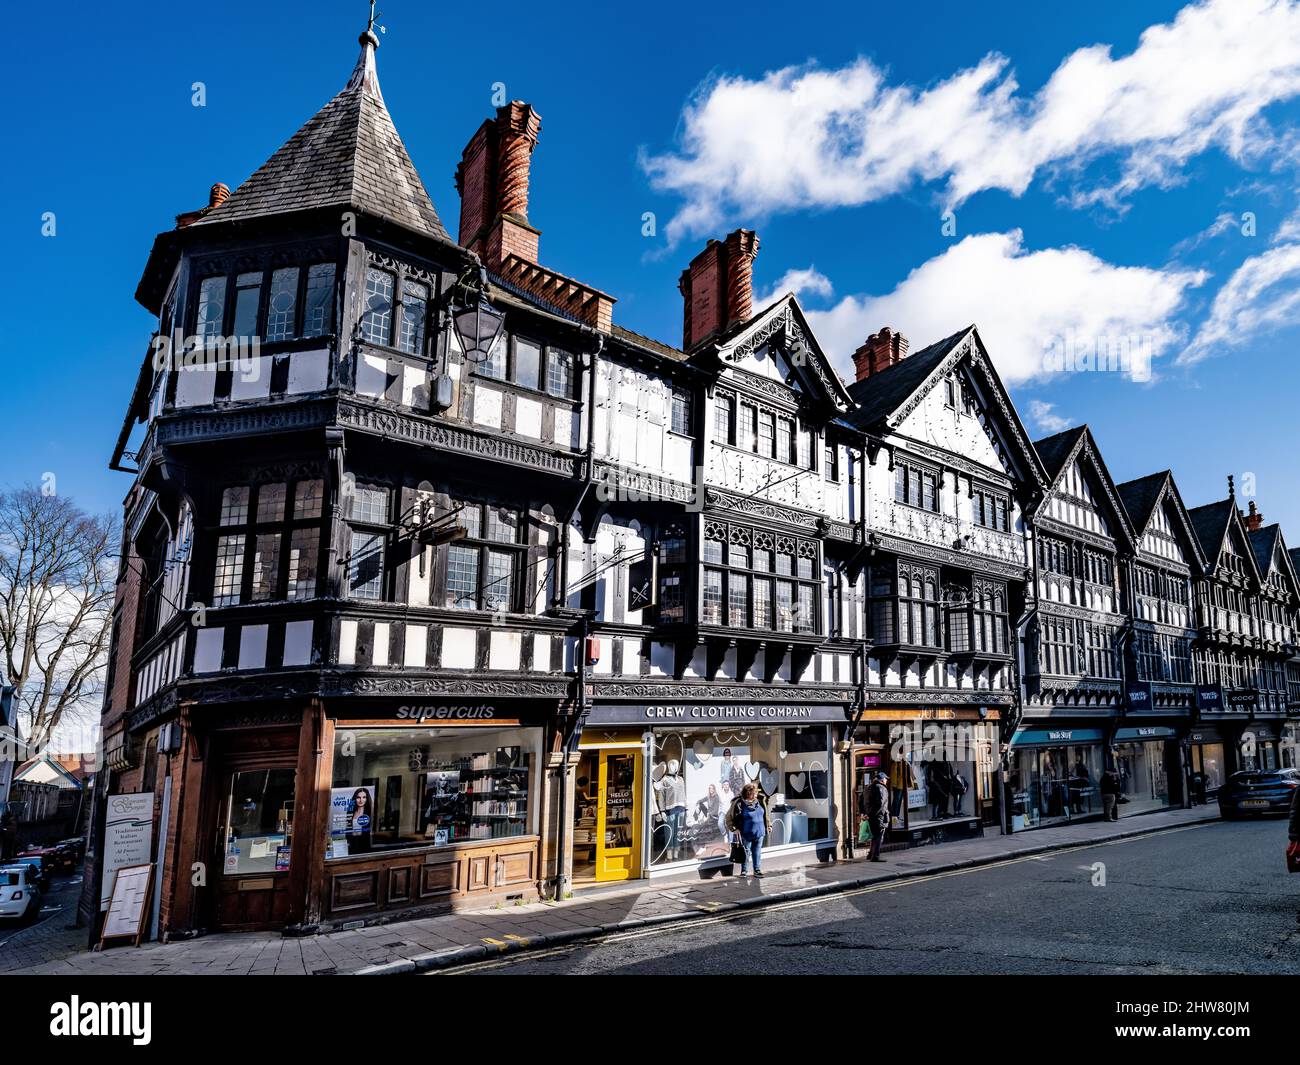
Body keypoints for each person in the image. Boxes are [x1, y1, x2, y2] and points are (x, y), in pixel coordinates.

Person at [726, 782, 771, 878]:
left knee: (757, 851)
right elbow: (728, 817)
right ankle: (744, 871)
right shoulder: (738, 803)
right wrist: (734, 829)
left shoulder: (760, 800)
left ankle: (757, 870)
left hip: (760, 832)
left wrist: (769, 825)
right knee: (746, 852)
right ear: (748, 793)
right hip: (746, 833)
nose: (756, 794)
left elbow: (765, 814)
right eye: (754, 792)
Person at [865, 771, 890, 862]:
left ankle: (870, 854)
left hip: (870, 816)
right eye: (886, 779)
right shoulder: (882, 788)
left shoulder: (868, 787)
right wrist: (878, 815)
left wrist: (866, 813)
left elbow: (861, 800)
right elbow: (880, 803)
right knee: (879, 836)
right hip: (879, 816)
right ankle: (875, 856)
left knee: (874, 836)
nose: (886, 781)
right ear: (882, 780)